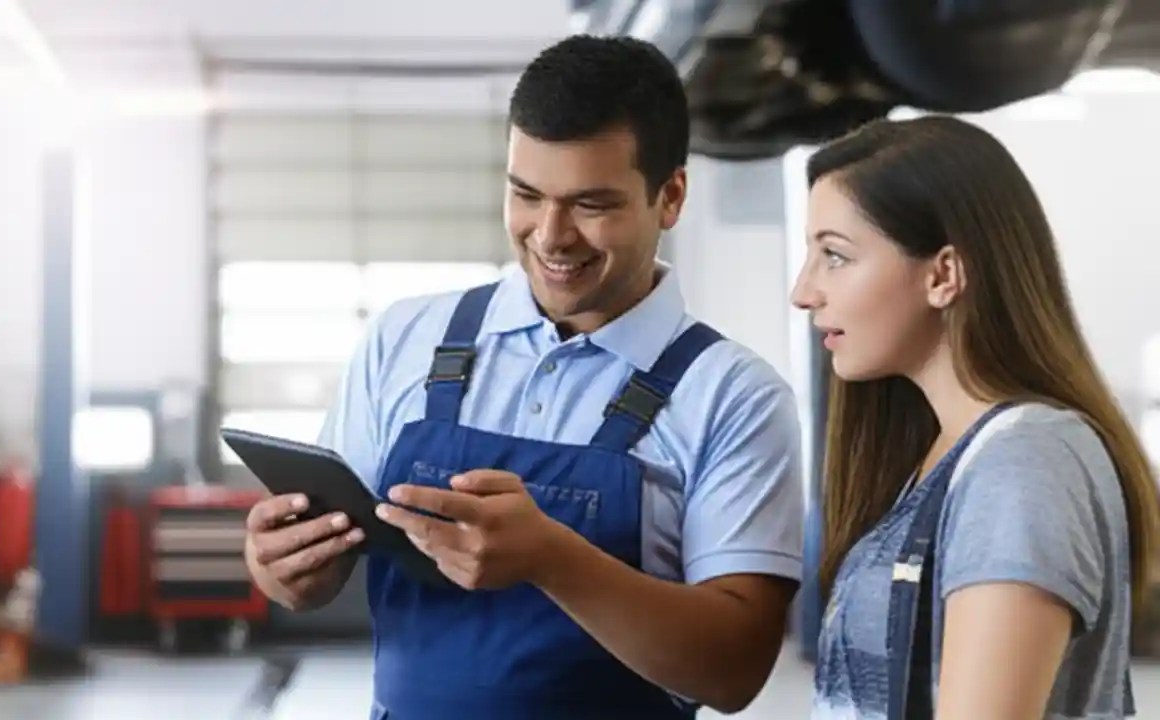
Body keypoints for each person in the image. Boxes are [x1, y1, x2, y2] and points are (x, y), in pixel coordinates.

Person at [243, 34, 804, 719]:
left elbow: (734, 670)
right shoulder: (404, 341)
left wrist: (553, 558)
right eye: (526, 194)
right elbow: (317, 573)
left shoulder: (734, 397)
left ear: (671, 196)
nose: (550, 235)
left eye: (591, 205)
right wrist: (285, 569)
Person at [791, 115, 1160, 720]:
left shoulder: (1025, 461)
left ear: (943, 275)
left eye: (834, 255)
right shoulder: (948, 455)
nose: (804, 291)